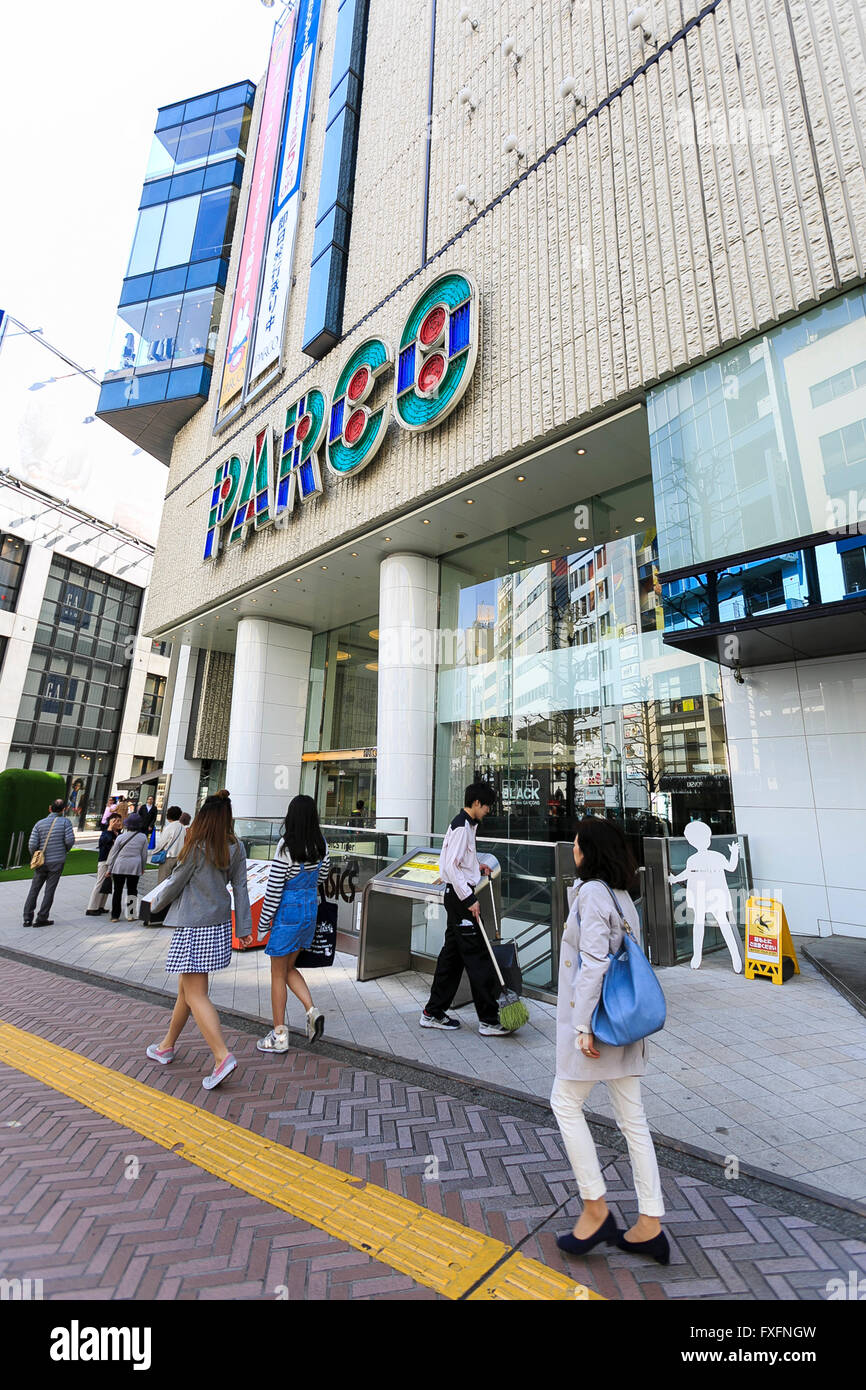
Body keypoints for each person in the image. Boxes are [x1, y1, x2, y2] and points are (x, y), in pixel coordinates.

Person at [550, 817, 668, 1265]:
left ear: (589, 851)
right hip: (624, 1026)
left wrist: (582, 1027)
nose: (573, 849)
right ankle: (650, 1223)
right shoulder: (622, 896)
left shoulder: (594, 894)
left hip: (597, 1028)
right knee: (633, 1121)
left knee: (565, 1103)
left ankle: (596, 1208)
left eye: (577, 844)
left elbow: (594, 962)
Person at [145, 790, 252, 1090]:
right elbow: (241, 888)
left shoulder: (197, 847)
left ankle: (221, 1056)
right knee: (186, 990)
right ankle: (166, 1046)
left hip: (193, 925)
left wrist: (154, 904)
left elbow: (175, 881)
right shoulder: (235, 847)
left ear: (204, 817)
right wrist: (244, 929)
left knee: (195, 993)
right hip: (218, 925)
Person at [420, 781, 509, 1037]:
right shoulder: (461, 827)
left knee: (452, 958)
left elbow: (458, 861)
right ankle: (489, 1020)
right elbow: (449, 867)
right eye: (487, 806)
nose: (489, 810)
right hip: (461, 900)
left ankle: (433, 1012)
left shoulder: (466, 825)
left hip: (456, 898)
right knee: (479, 959)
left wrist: (477, 866)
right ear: (477, 803)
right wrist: (469, 899)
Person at [256, 795, 330, 1052]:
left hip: (288, 913)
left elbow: (275, 888)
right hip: (310, 911)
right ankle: (312, 1010)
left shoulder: (286, 847)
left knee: (277, 973)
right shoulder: (321, 844)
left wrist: (263, 924)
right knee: (288, 968)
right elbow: (322, 875)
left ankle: (279, 1035)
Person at [23, 799, 76, 927]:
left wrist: (36, 856)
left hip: (41, 862)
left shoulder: (39, 823)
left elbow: (32, 844)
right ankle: (42, 917)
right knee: (49, 890)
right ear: (64, 810)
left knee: (34, 889)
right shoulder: (66, 822)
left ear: (49, 808)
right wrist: (64, 851)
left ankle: (27, 918)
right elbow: (70, 840)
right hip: (57, 861)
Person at [106, 814, 149, 922]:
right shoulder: (143, 837)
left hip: (119, 866)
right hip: (135, 866)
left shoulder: (120, 837)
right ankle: (131, 914)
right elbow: (144, 855)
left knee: (117, 890)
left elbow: (113, 854)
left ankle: (115, 915)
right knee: (132, 890)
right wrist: (143, 867)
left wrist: (109, 869)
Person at [86, 813, 123, 915]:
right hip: (104, 860)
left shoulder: (119, 834)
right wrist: (110, 828)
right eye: (115, 821)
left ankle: (101, 906)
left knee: (107, 883)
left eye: (119, 821)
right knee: (100, 882)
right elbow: (104, 841)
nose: (118, 823)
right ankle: (92, 907)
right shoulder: (106, 833)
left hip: (114, 862)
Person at [152, 805, 186, 884]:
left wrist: (154, 852)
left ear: (168, 815)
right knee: (173, 883)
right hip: (179, 857)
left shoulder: (169, 827)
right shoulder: (182, 827)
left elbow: (162, 843)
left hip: (168, 858)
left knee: (162, 883)